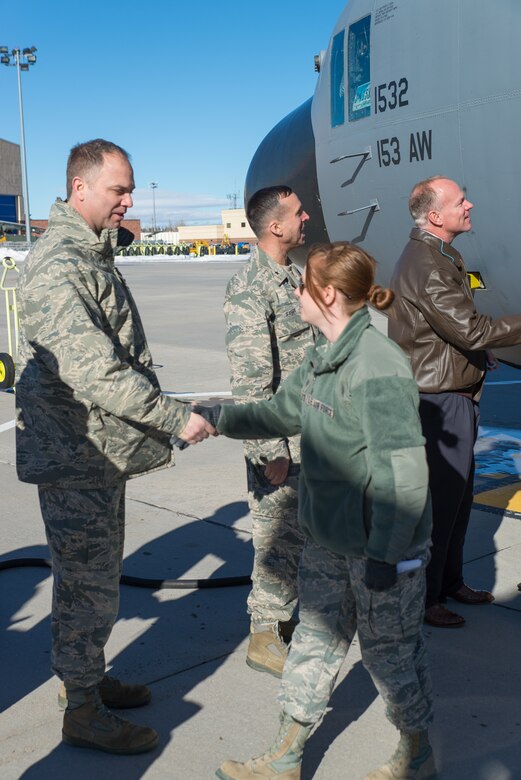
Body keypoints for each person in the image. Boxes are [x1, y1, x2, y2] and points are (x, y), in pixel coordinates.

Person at [15, 139, 215, 754]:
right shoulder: (61, 265)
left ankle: (88, 679)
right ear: (80, 189)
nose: (129, 202)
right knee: (86, 584)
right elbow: (95, 372)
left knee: (96, 579)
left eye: (130, 190)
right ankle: (81, 708)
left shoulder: (90, 254)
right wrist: (172, 418)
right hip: (77, 456)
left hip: (95, 453)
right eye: (118, 191)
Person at [213, 242, 435, 780]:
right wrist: (216, 419)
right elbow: (279, 411)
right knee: (311, 645)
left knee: (390, 658)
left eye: (303, 286)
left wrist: (384, 556)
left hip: (381, 550)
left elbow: (402, 473)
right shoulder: (321, 355)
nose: (295, 293)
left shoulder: (377, 365)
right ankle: (286, 755)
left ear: (327, 294)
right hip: (327, 542)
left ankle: (417, 753)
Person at [388, 175, 521, 628]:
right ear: (434, 216)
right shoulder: (427, 264)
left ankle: (450, 582)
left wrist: (477, 354)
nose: (470, 205)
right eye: (461, 201)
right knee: (439, 505)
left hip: (452, 390)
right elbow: (470, 329)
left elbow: (451, 331)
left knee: (459, 500)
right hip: (440, 400)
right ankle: (426, 599)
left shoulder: (439, 253)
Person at [223, 185, 315, 677]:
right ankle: (265, 633)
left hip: (312, 433)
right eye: (298, 213)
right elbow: (252, 381)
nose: (306, 217)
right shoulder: (251, 286)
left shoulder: (290, 277)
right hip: (282, 441)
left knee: (301, 538)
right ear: (275, 226)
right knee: (276, 539)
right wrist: (269, 450)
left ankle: (285, 624)